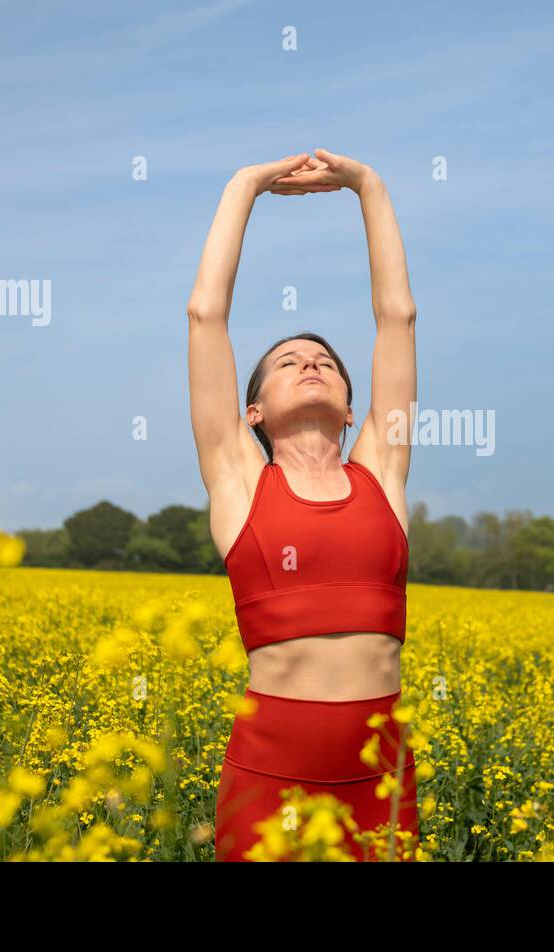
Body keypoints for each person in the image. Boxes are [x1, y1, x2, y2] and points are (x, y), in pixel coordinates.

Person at [186, 149, 419, 861]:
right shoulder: (239, 481)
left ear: (353, 410)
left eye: (325, 362)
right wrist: (244, 185)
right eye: (287, 362)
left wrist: (368, 187)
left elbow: (398, 318)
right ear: (252, 411)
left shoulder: (384, 468)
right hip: (270, 776)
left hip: (381, 779)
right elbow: (205, 316)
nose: (310, 362)